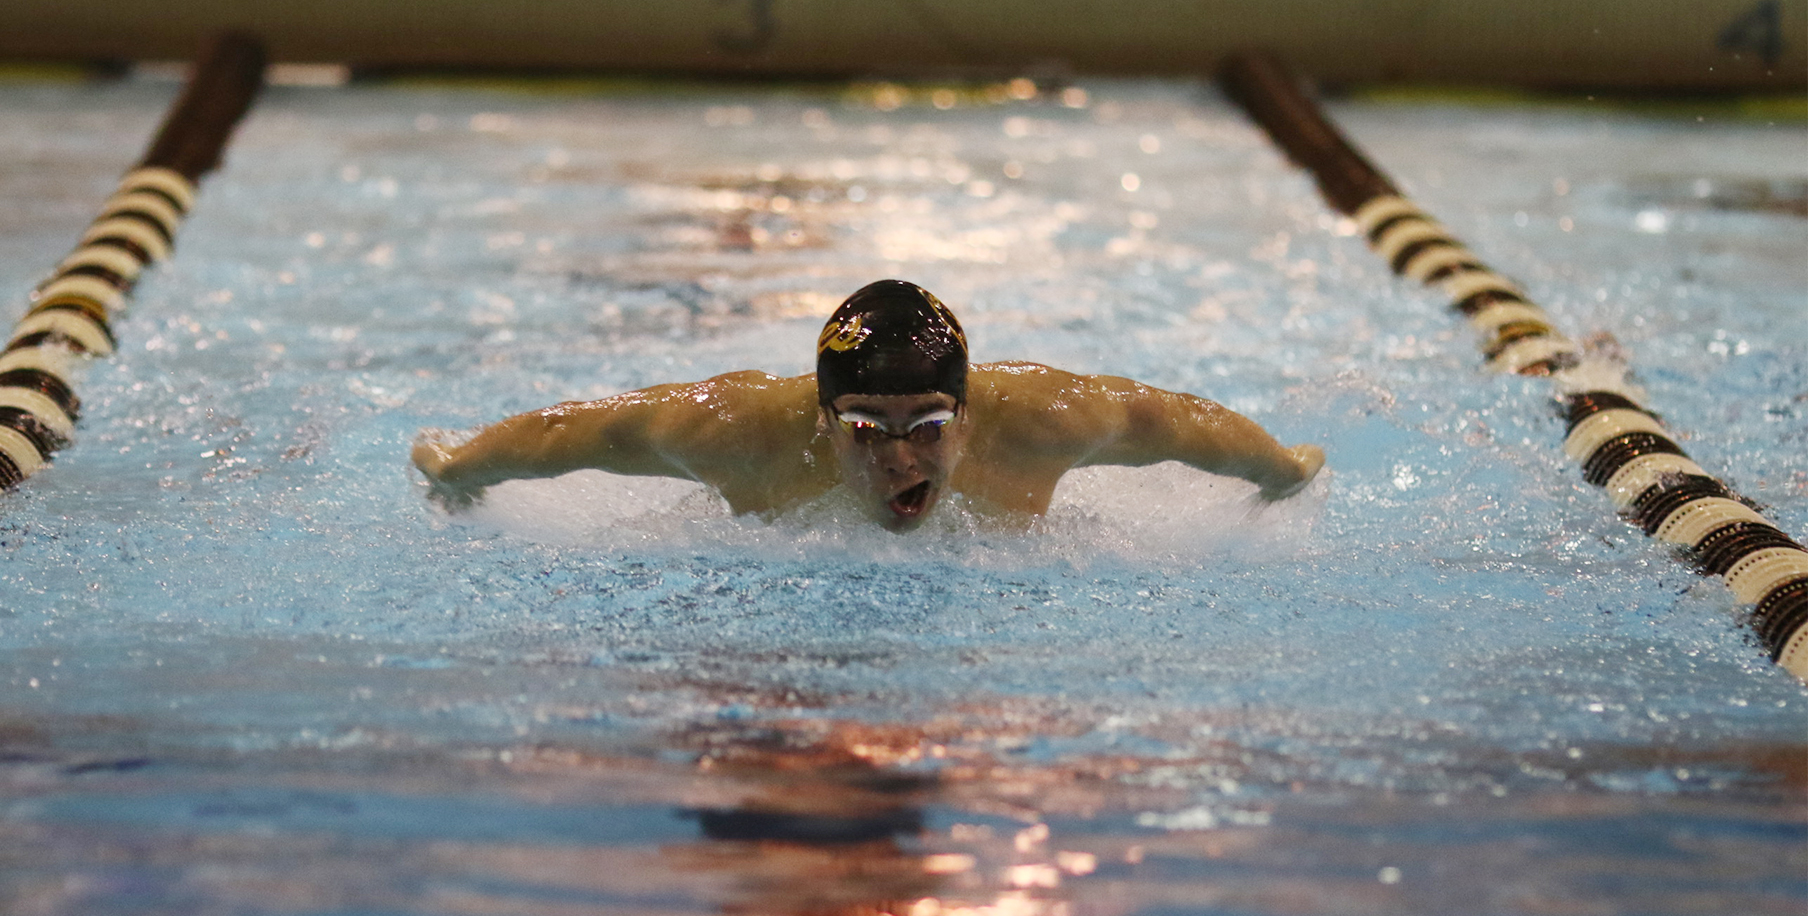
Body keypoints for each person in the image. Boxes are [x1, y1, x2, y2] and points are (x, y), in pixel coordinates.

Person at [411, 280, 1324, 531]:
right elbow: (576, 431)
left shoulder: (1047, 419)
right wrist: (459, 470)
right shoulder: (736, 432)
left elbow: (1179, 423)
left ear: (968, 417)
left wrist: (1282, 470)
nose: (898, 460)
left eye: (927, 427)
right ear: (820, 419)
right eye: (865, 431)